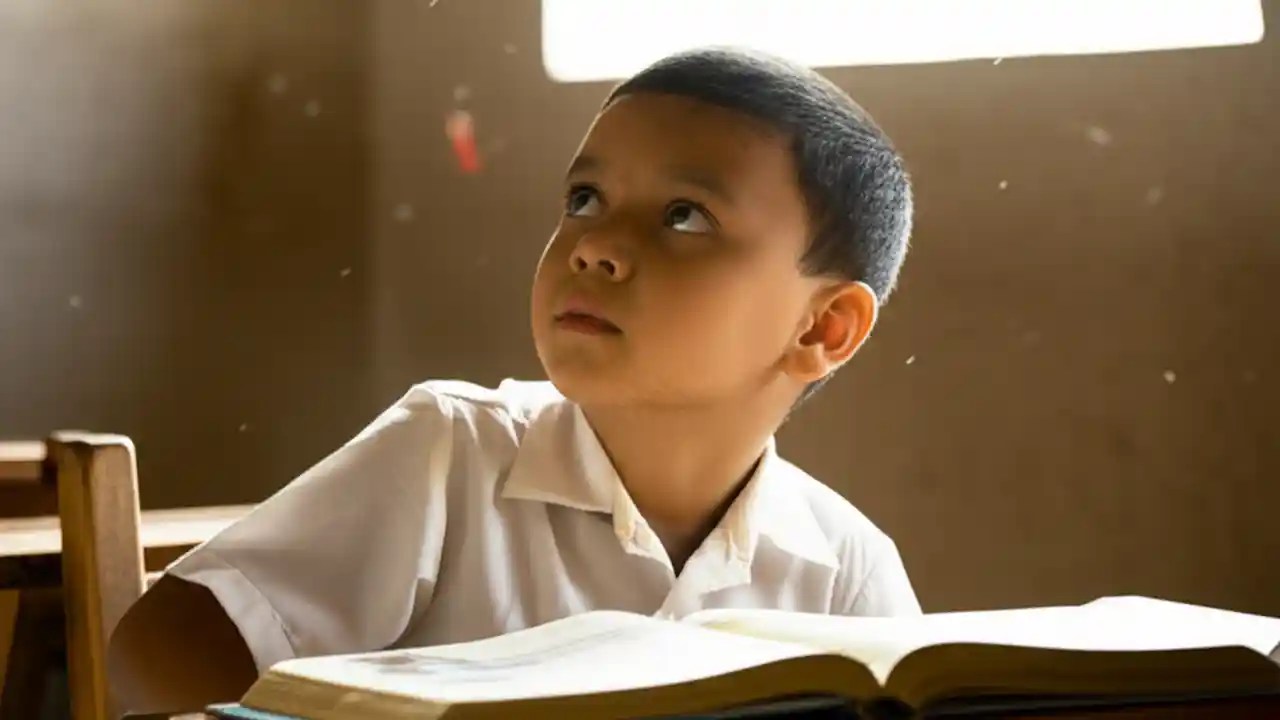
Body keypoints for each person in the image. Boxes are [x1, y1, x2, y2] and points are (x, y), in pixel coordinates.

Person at [108, 47, 919, 715]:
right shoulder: (450, 455)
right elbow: (159, 654)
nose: (594, 245)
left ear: (822, 328)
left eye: (684, 216)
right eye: (585, 198)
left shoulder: (846, 571)